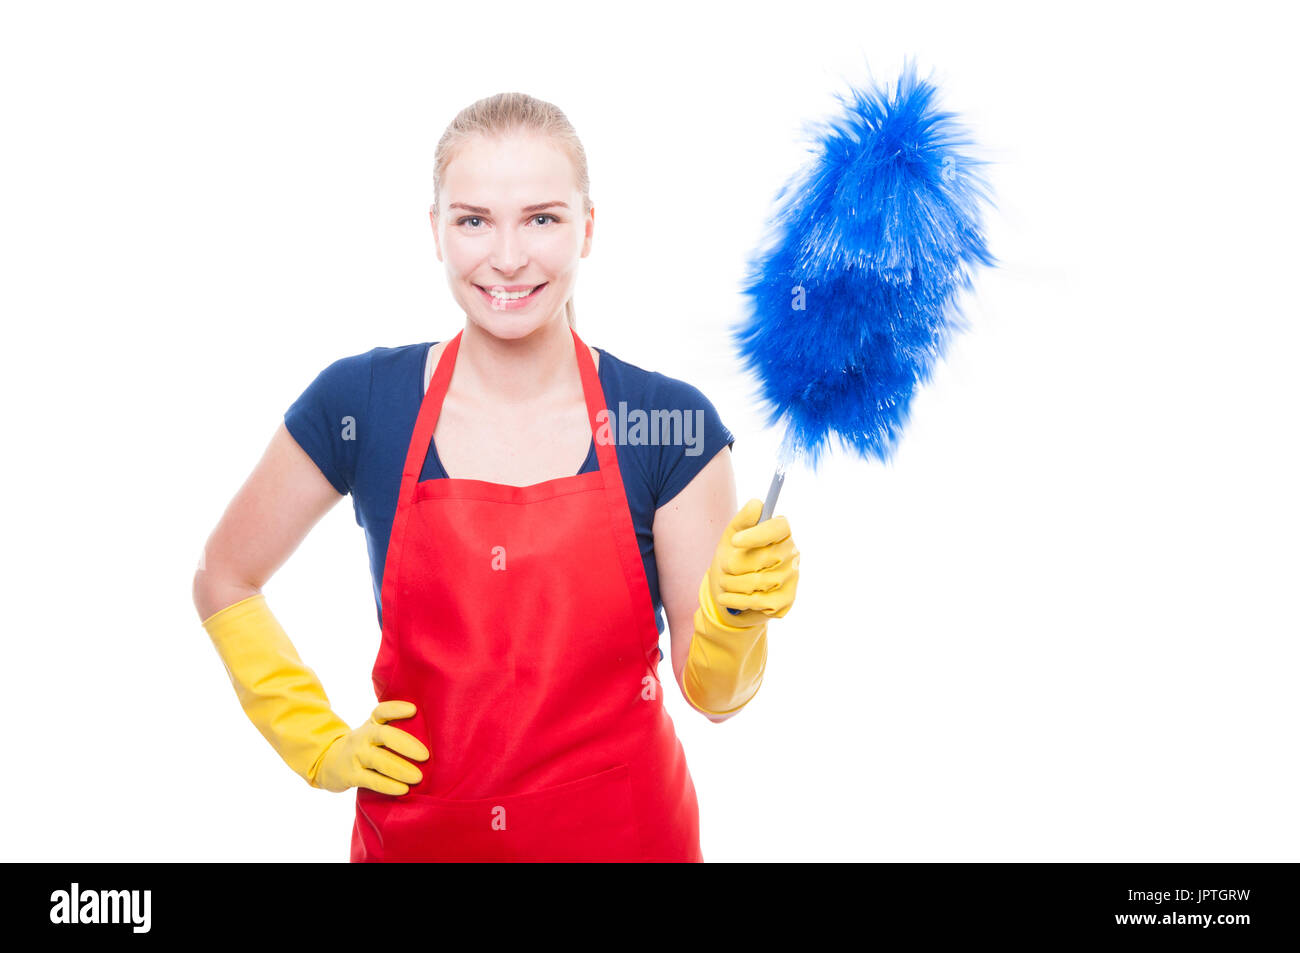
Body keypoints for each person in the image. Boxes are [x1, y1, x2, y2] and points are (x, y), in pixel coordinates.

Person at [191, 92, 800, 862]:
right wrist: (316, 741)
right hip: (419, 840)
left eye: (542, 218)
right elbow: (225, 575)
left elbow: (714, 696)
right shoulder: (363, 403)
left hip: (628, 837)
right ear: (436, 232)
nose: (507, 257)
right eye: (473, 220)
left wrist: (734, 620)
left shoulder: (666, 421)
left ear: (588, 226)